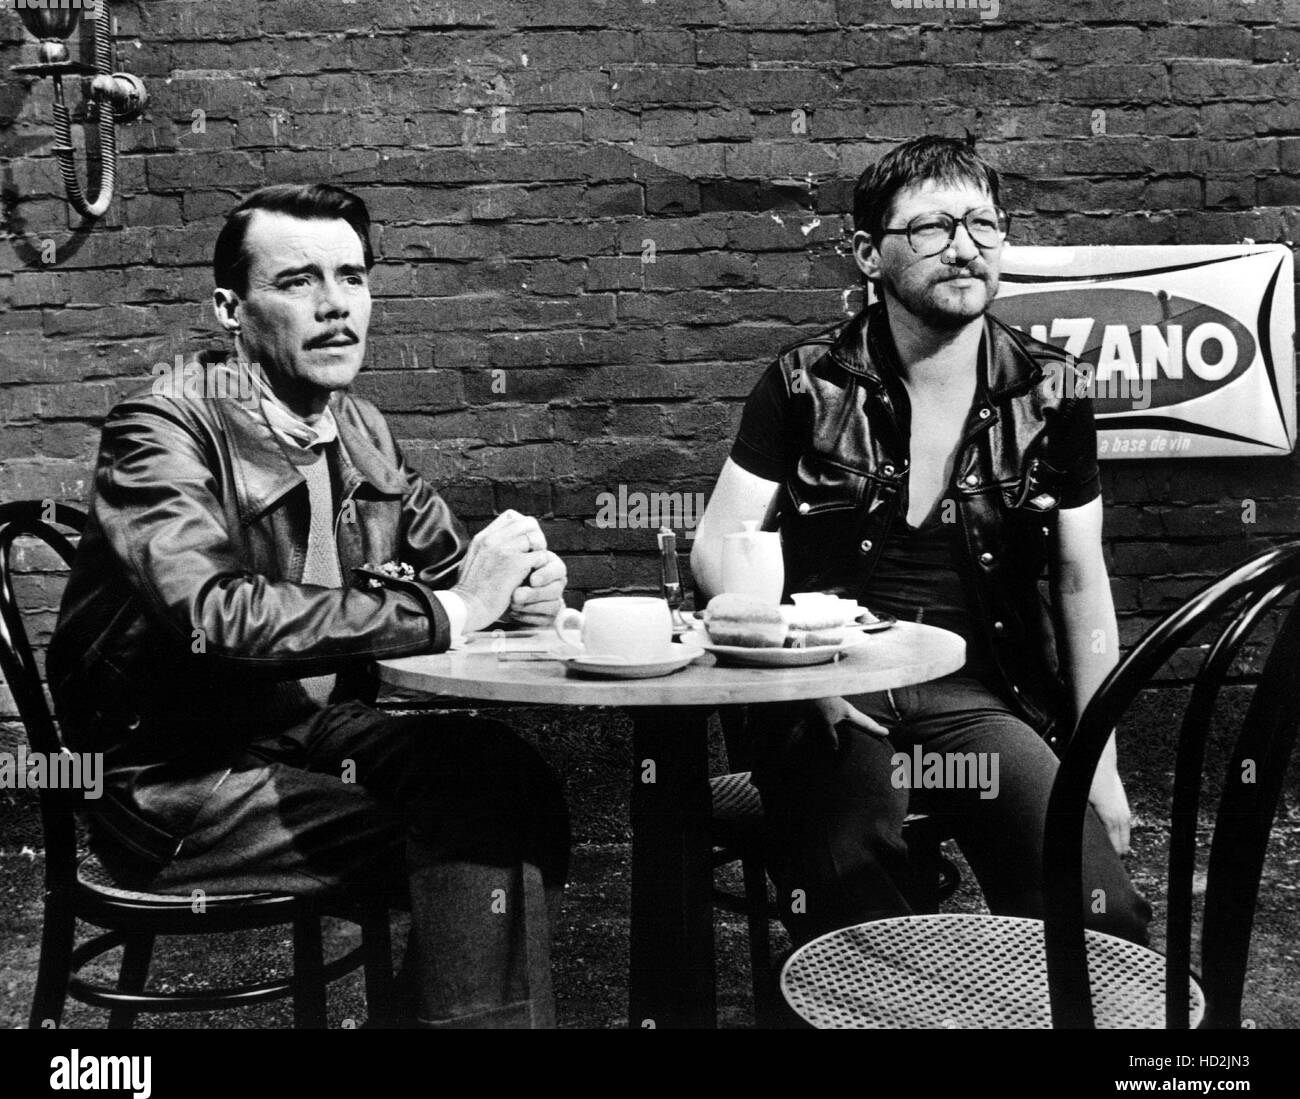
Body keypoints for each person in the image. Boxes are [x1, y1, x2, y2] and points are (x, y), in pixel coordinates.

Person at [48, 183, 571, 1028]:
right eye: (297, 282)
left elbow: (455, 571)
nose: (336, 307)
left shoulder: (360, 425)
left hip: (302, 730)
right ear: (230, 307)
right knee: (476, 836)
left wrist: (520, 587)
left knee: (503, 779)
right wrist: (457, 607)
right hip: (176, 775)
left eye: (353, 278)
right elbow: (214, 615)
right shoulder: (160, 428)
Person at [691, 136, 1151, 947]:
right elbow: (717, 545)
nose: (965, 246)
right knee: (856, 887)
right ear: (870, 254)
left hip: (978, 698)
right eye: (933, 228)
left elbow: (1081, 583)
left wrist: (1101, 763)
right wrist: (794, 675)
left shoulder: (1051, 390)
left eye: (983, 224)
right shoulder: (806, 382)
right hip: (829, 693)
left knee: (1100, 915)